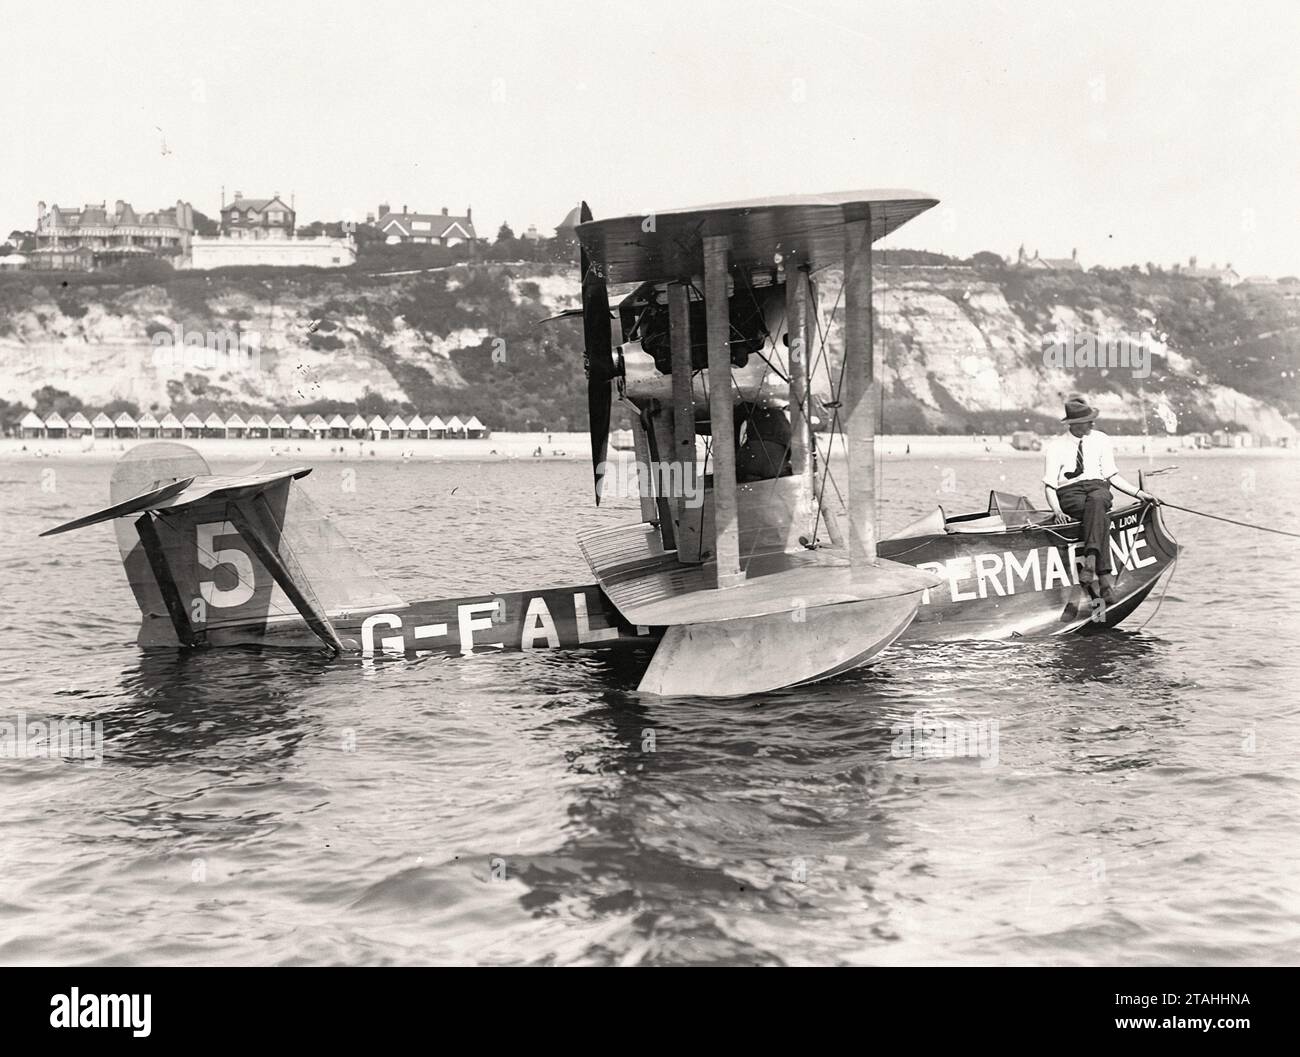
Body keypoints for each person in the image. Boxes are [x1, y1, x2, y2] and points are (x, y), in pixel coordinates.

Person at [1042, 393, 1158, 603]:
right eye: (1088, 422)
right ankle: (1104, 577)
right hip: (1070, 492)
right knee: (1099, 515)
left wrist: (1140, 494)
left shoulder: (1102, 440)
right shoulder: (1055, 447)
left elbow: (1112, 475)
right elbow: (1050, 485)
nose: (1092, 425)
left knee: (1097, 501)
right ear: (1076, 424)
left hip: (1098, 486)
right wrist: (1057, 510)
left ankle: (1091, 562)